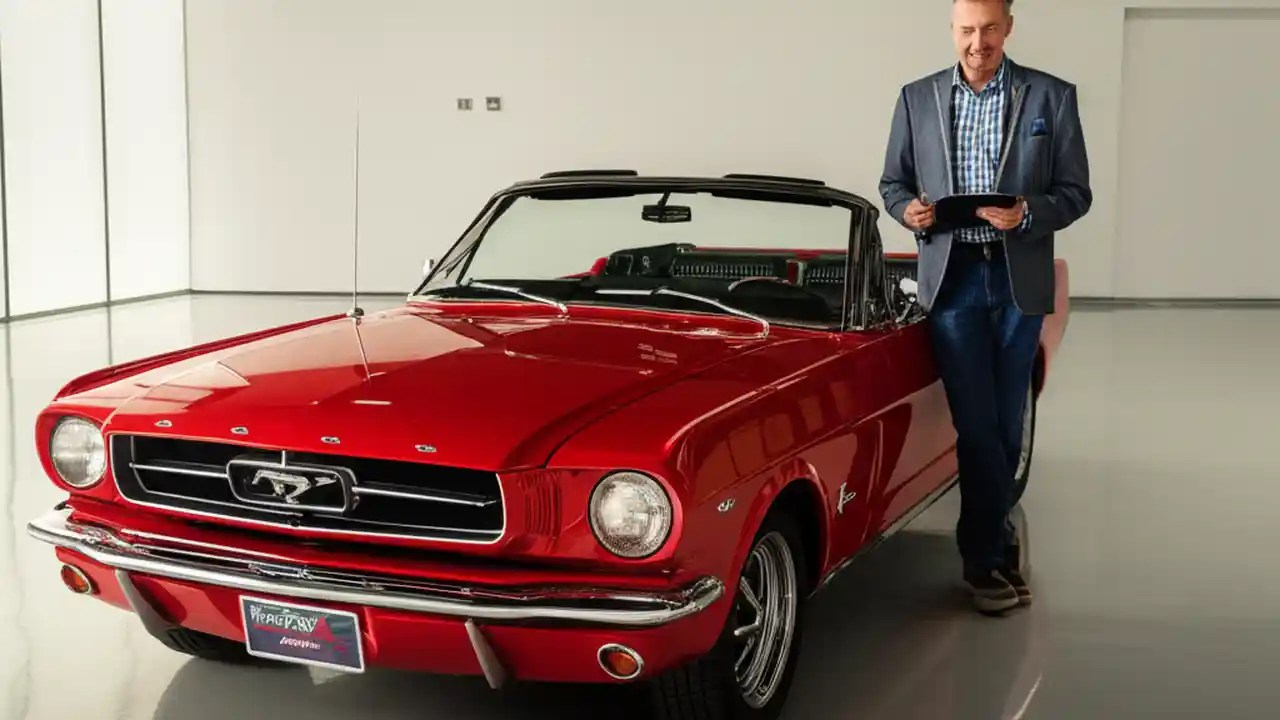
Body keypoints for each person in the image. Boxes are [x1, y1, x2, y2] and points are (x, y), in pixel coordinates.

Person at [878, 0, 1091, 615]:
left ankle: (994, 545)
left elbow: (1076, 192)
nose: (979, 42)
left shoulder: (1051, 97)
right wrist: (907, 211)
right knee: (976, 425)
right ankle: (984, 560)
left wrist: (1029, 213)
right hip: (951, 282)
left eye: (990, 29)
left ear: (1009, 28)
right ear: (953, 31)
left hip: (1018, 279)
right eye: (968, 30)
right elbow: (893, 182)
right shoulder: (916, 99)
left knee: (1002, 421)